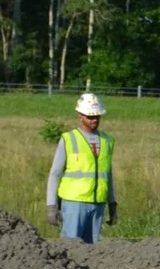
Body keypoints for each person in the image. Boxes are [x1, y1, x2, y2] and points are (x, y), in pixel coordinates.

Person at [44, 90, 116, 244]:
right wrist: (51, 206)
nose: (94, 119)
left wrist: (112, 204)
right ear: (80, 116)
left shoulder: (107, 141)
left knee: (93, 249)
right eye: (90, 116)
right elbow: (55, 173)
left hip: (98, 204)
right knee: (71, 247)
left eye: (97, 116)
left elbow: (107, 175)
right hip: (74, 203)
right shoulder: (69, 139)